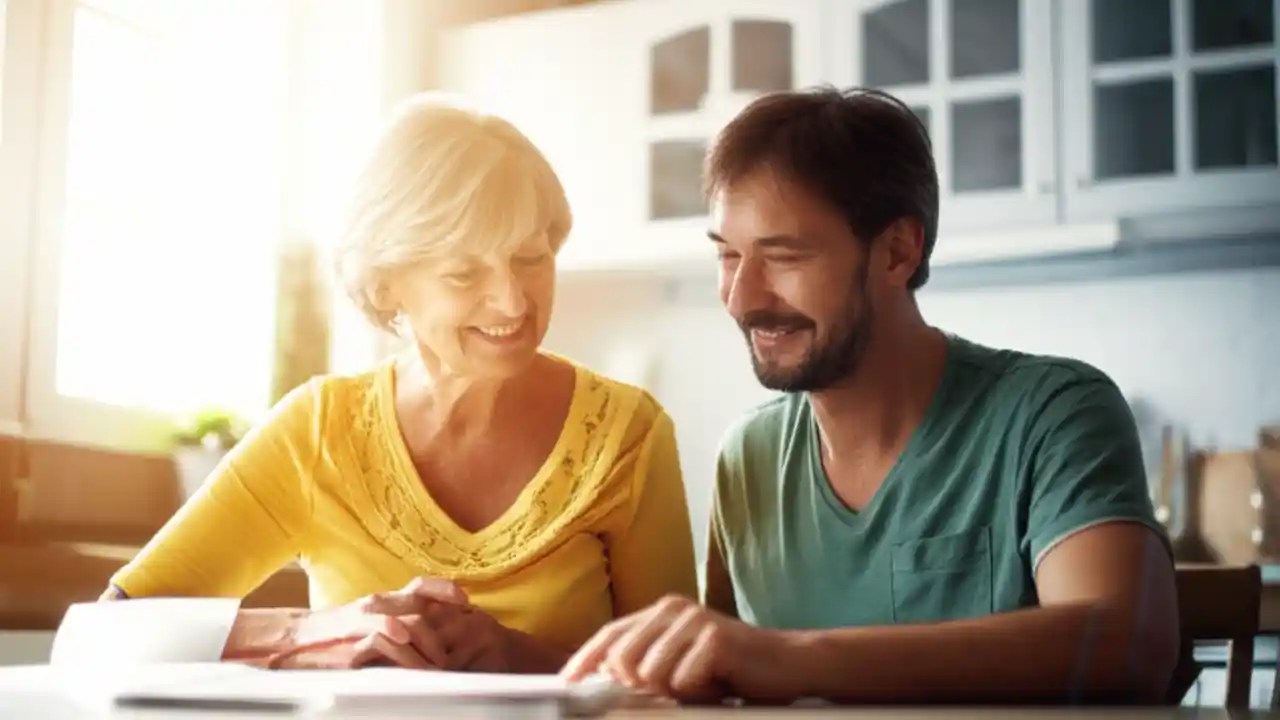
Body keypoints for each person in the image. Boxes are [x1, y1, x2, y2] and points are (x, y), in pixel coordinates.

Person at [562, 87, 1180, 704]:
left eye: (784, 256)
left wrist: (791, 657)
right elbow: (721, 691)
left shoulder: (1054, 414)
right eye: (728, 256)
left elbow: (1126, 646)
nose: (742, 297)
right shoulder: (747, 457)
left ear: (897, 252)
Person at [101, 94, 697, 672]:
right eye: (465, 272)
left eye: (530, 258)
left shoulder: (627, 433)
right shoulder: (317, 430)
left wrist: (525, 658)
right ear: (387, 285)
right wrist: (312, 634)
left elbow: (687, 681)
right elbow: (106, 633)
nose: (512, 300)